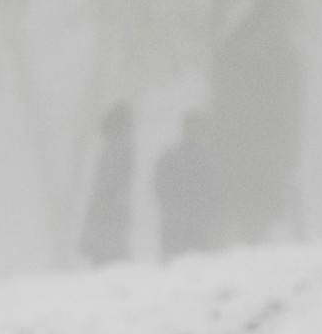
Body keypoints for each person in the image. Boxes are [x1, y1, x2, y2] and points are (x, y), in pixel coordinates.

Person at [152, 108, 218, 258]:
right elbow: (161, 185)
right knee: (180, 261)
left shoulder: (206, 158)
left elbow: (213, 190)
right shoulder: (174, 157)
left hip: (192, 221)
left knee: (189, 264)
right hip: (181, 221)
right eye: (193, 127)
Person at [78, 102, 136, 266]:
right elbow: (109, 180)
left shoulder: (116, 148)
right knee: (110, 248)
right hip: (112, 206)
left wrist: (102, 202)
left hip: (109, 206)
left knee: (107, 249)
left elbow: (107, 181)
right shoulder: (120, 147)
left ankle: (106, 268)